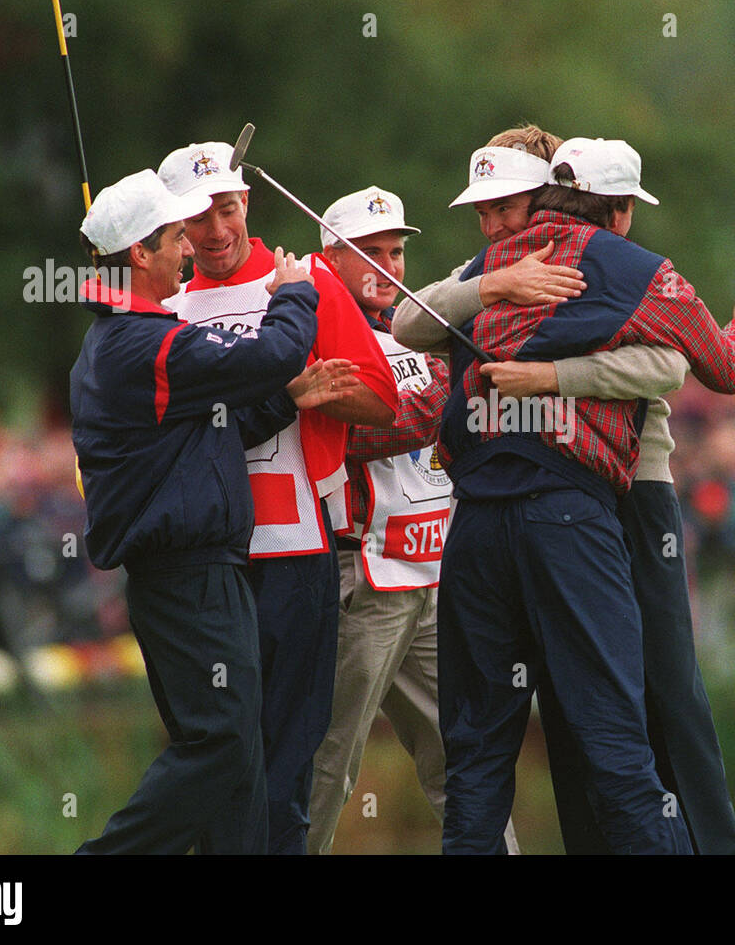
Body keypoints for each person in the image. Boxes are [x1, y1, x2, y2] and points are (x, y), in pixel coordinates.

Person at [395, 127, 735, 854]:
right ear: (621, 207)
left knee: (474, 762)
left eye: (503, 205)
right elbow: (712, 367)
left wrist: (541, 369)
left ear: (545, 194)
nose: (494, 222)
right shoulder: (636, 270)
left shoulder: (487, 263)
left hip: (472, 526)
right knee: (620, 736)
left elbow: (411, 320)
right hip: (574, 512)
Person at [71, 169, 343, 853]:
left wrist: (288, 400)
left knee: (239, 761)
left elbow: (212, 432)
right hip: (189, 580)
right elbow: (270, 355)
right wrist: (297, 293)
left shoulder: (131, 340)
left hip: (193, 577)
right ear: (139, 253)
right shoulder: (143, 344)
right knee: (223, 746)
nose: (188, 249)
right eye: (173, 238)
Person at [158, 143, 398, 855]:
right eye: (196, 219)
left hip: (300, 556)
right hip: (204, 565)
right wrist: (277, 392)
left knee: (292, 762)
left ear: (246, 204)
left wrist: (324, 391)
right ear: (175, 227)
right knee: (218, 760)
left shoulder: (311, 282)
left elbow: (382, 400)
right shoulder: (164, 309)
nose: (215, 231)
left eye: (225, 209)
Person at [300, 187, 513, 853]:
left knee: (467, 759)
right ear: (330, 257)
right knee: (326, 769)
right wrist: (446, 397)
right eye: (371, 254)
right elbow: (351, 432)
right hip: (358, 584)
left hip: (431, 577)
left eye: (396, 251)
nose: (389, 266)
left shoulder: (416, 326)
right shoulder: (310, 328)